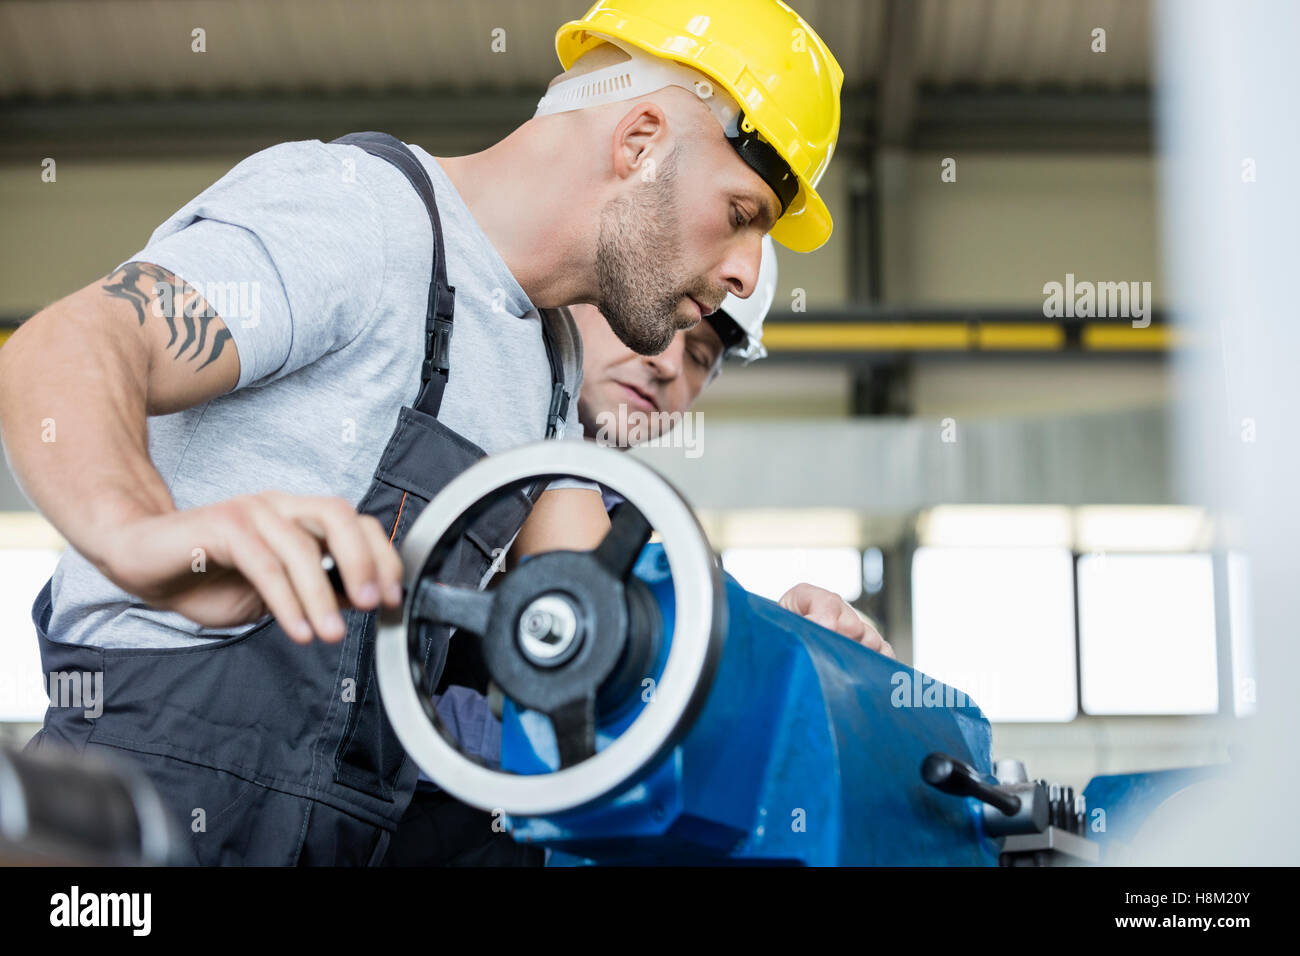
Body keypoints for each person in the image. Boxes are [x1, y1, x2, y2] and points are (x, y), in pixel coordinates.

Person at [0, 0, 844, 865]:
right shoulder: (363, 214)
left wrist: (775, 650)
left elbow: (593, 605)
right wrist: (143, 531)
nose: (746, 274)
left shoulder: (549, 367)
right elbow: (72, 344)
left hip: (344, 838)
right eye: (743, 212)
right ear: (641, 140)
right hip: (143, 812)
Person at [571, 235, 895, 657]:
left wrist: (777, 648)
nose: (668, 363)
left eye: (700, 357)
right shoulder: (470, 416)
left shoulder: (638, 543)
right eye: (654, 316)